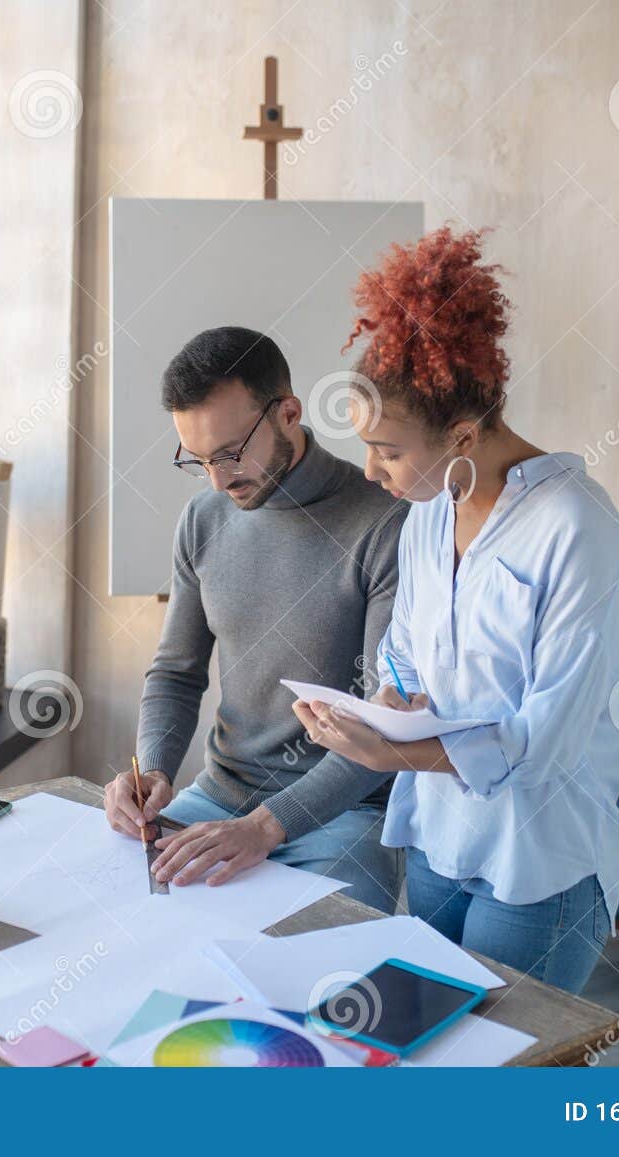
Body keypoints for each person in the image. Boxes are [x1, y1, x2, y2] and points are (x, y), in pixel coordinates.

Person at [293, 227, 619, 993]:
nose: (370, 470)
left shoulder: (577, 527)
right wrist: (384, 708)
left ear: (461, 434)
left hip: (538, 861)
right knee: (427, 1052)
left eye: (387, 449)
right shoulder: (427, 513)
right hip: (438, 841)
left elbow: (545, 742)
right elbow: (407, 656)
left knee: (501, 1072)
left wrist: (393, 756)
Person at [102, 326, 407, 912]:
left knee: (323, 966)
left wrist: (268, 826)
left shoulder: (383, 524)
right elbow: (176, 672)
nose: (218, 480)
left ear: (288, 413)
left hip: (342, 817)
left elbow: (380, 726)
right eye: (198, 461)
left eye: (230, 454)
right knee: (109, 908)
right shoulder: (204, 518)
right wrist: (154, 768)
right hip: (217, 798)